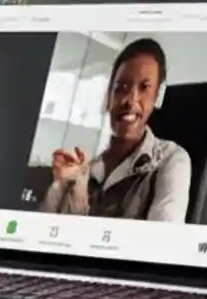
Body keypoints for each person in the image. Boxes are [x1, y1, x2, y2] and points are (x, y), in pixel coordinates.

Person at [40, 38, 192, 222]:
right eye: (121, 88)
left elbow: (162, 242)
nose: (130, 99)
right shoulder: (90, 167)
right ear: (109, 97)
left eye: (144, 88)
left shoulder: (171, 160)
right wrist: (62, 186)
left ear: (157, 98)